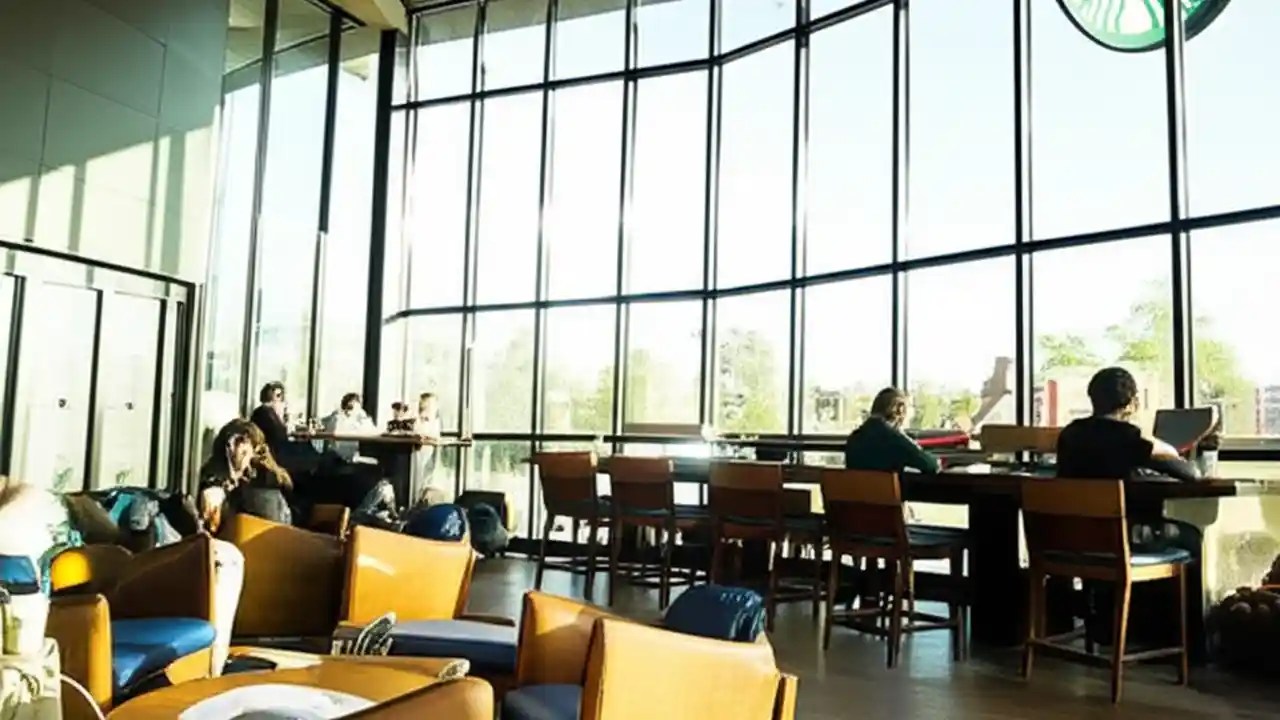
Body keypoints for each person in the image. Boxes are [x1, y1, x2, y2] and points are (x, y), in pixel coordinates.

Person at [1055, 367, 1200, 483]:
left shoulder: (1070, 433)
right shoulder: (1128, 437)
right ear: (1132, 403)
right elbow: (1191, 474)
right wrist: (1165, 448)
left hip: (1072, 519)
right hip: (1124, 519)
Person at [197, 419, 293, 532]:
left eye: (241, 441)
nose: (234, 447)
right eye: (230, 442)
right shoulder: (212, 480)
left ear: (254, 448)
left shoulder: (266, 482)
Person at [844, 387, 940, 474]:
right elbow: (930, 465)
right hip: (885, 493)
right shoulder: (895, 439)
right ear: (900, 410)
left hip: (856, 493)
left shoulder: (854, 438)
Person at [321, 392, 375, 461]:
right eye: (350, 407)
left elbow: (371, 430)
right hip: (338, 456)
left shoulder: (359, 419)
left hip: (347, 456)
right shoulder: (337, 418)